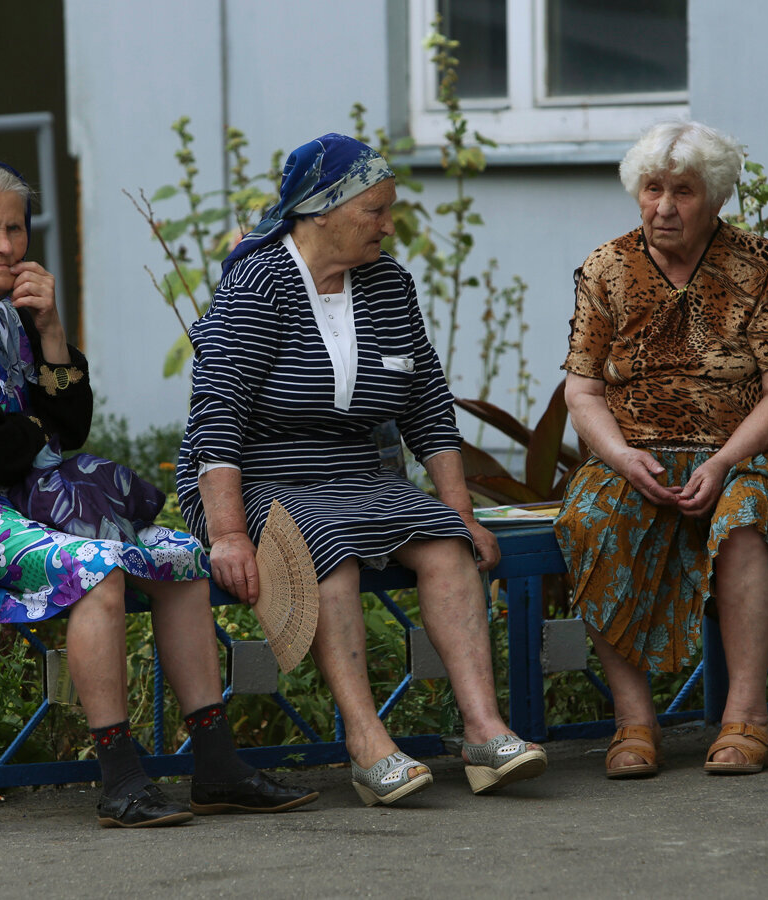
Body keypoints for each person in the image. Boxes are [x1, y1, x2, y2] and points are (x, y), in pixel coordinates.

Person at [0, 160, 316, 827]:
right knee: (98, 572)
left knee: (181, 556)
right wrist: (29, 434)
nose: (6, 246)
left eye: (15, 228)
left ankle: (216, 765)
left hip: (19, 502)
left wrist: (53, 332)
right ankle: (120, 779)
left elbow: (66, 430)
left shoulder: (7, 312)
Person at [176, 133, 547, 807]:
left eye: (389, 210)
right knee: (329, 551)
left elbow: (428, 403)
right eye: (375, 210)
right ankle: (366, 743)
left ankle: (485, 734)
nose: (388, 224)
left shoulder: (388, 284)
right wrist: (227, 533)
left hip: (356, 474)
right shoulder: (257, 284)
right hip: (258, 478)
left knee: (444, 542)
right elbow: (216, 416)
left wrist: (460, 510)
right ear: (322, 211)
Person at [554, 121, 768, 778]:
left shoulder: (760, 265)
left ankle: (746, 715)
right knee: (593, 516)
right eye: (652, 189)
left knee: (743, 518)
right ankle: (634, 723)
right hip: (636, 455)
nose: (663, 207)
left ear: (714, 198)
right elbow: (584, 393)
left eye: (682, 191)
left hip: (744, 454)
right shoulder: (606, 268)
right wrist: (621, 458)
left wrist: (722, 460)